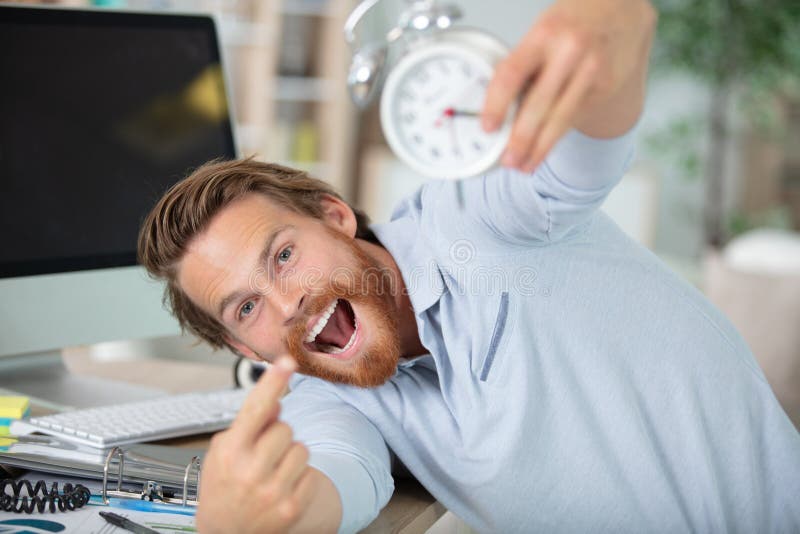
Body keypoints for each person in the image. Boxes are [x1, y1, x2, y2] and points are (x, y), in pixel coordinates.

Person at [137, 0, 800, 532]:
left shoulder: (474, 217)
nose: (287, 307)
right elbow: (332, 481)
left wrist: (617, 23)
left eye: (283, 256)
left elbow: (581, 159)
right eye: (246, 308)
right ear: (236, 344)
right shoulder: (327, 397)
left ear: (335, 216)